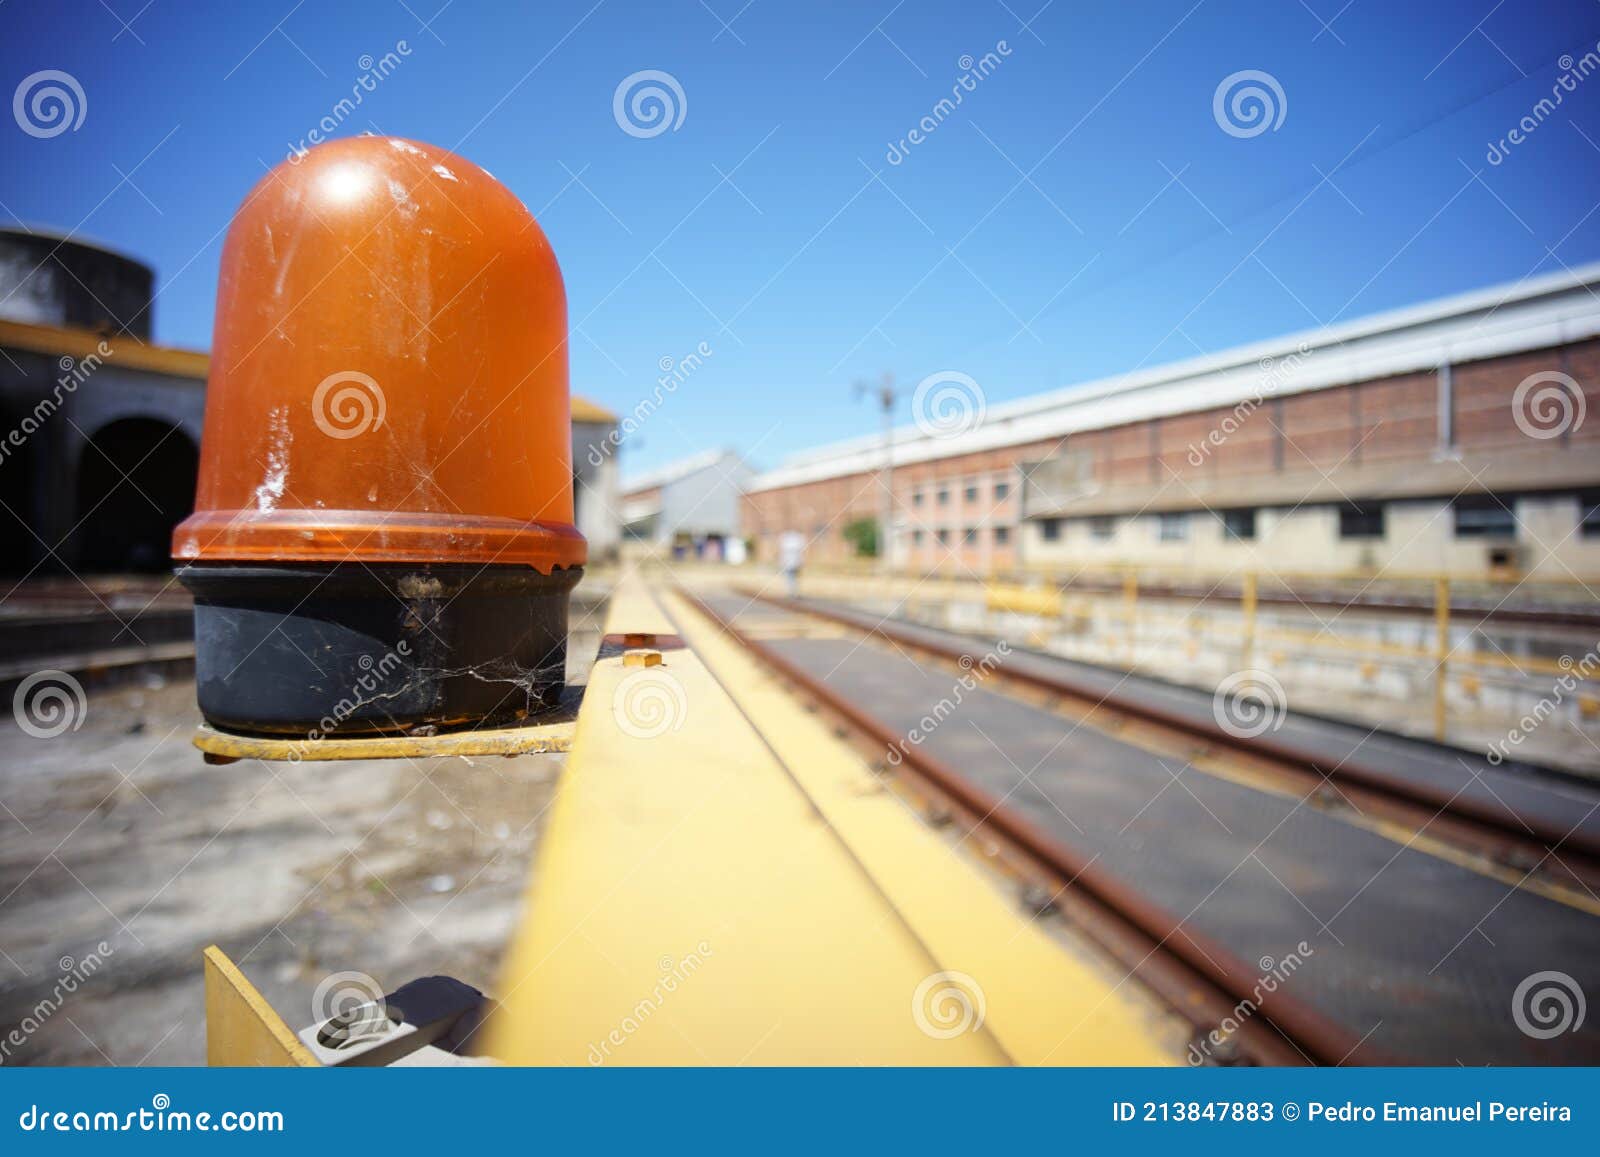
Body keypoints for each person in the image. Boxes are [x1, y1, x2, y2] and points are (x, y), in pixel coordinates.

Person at [778, 530, 806, 598]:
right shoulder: (798, 539)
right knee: (793, 578)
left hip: (791, 562)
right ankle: (793, 592)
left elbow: (781, 552)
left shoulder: (786, 540)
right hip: (795, 562)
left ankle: (792, 592)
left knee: (790, 578)